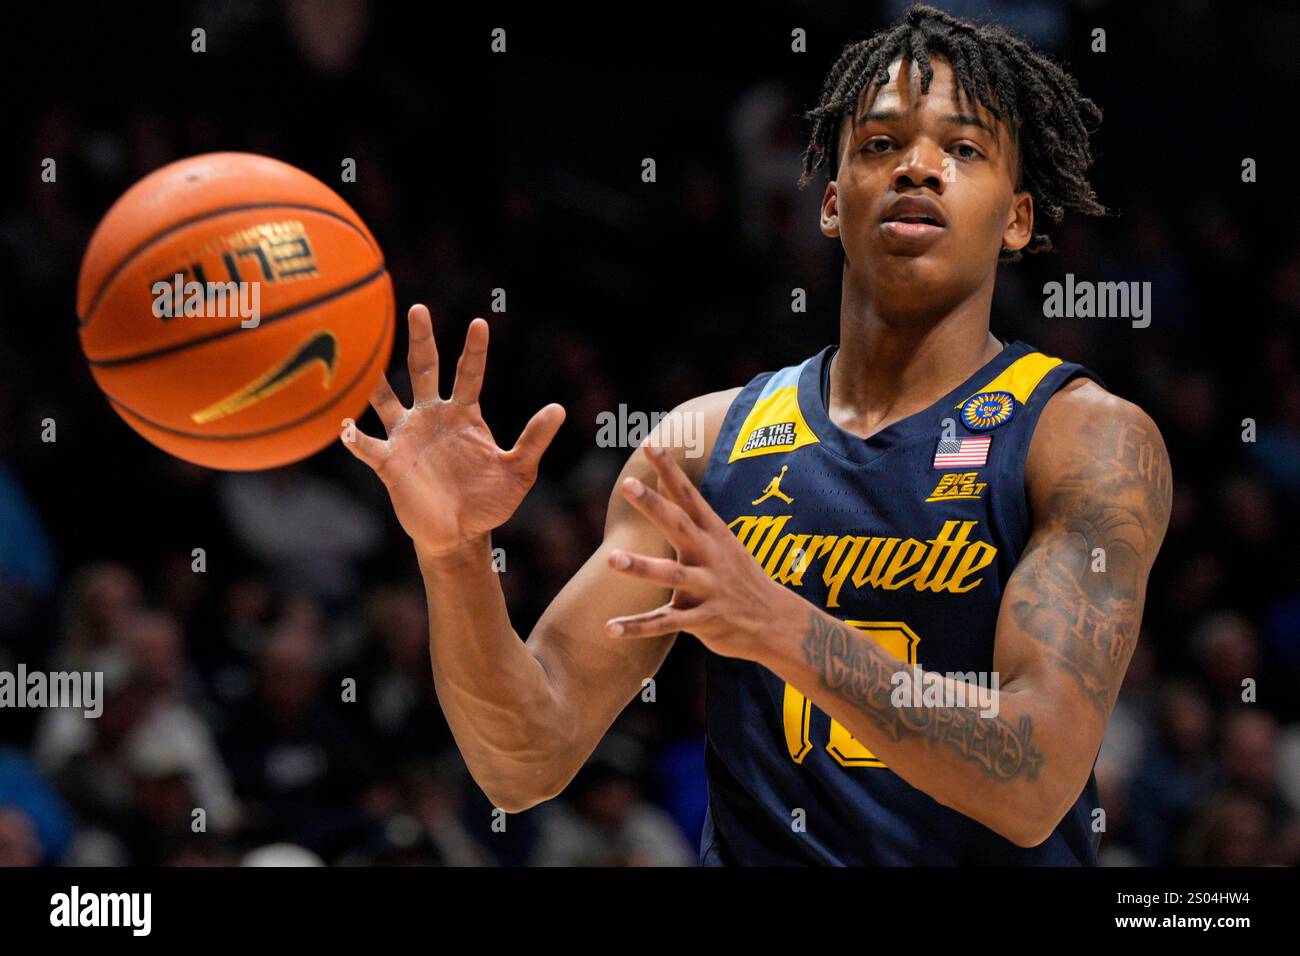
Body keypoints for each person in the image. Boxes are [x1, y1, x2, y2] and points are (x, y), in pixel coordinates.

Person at [344, 4, 1172, 865]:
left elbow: (1034, 779)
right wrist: (454, 554)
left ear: (1018, 221)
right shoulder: (703, 446)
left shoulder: (1084, 439)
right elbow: (523, 760)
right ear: (830, 204)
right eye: (880, 143)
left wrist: (778, 624)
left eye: (963, 150)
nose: (917, 167)